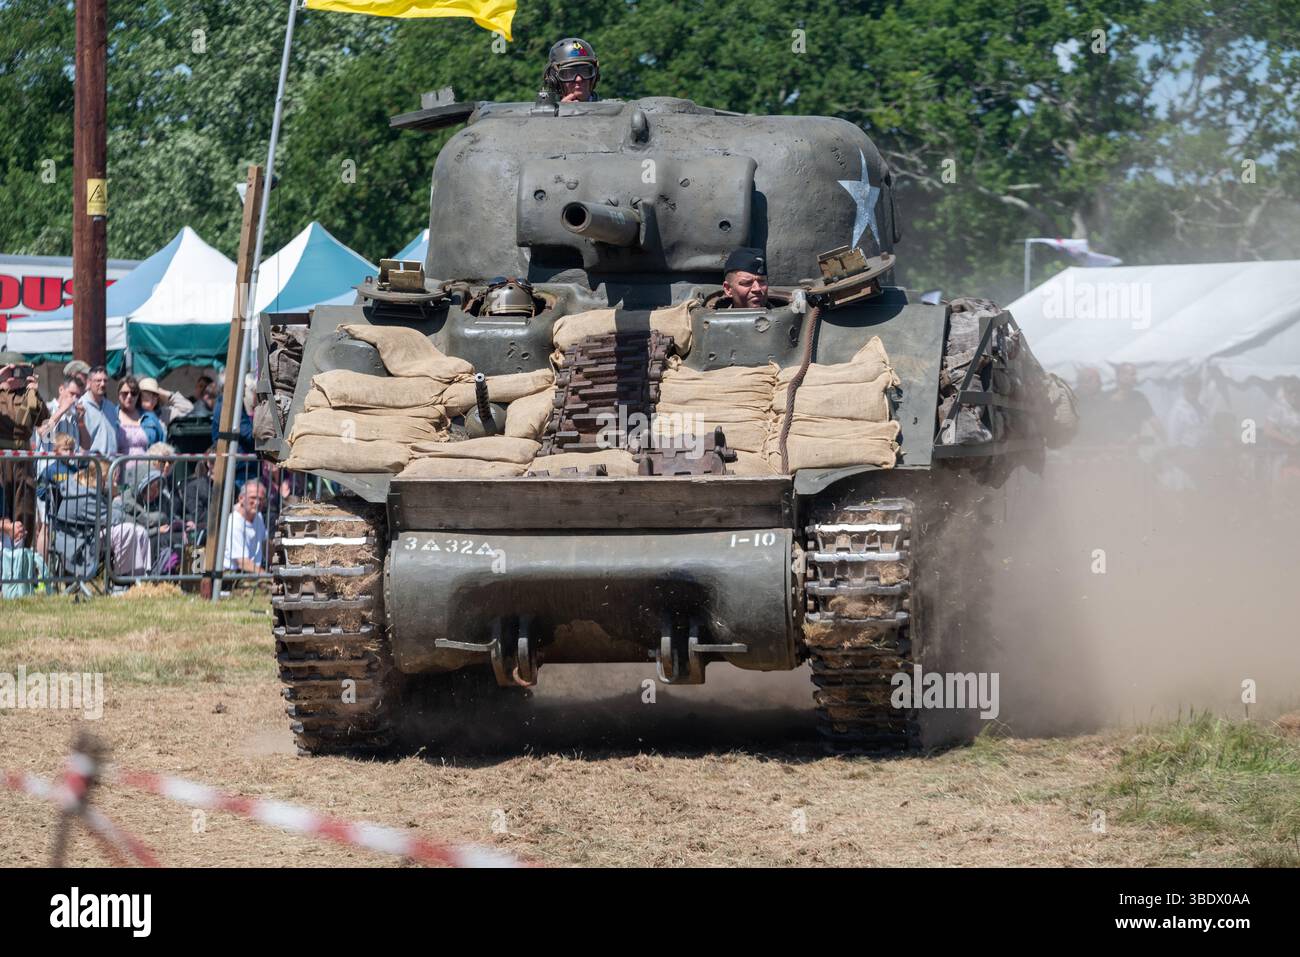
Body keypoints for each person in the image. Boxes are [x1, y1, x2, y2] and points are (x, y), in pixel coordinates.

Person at [0, 352, 50, 537]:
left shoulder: (28, 394)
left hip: (23, 461)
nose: (16, 375)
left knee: (25, 510)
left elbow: (44, 422)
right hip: (2, 459)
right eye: (12, 371)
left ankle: (23, 557)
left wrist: (34, 392)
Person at [1104, 363, 1162, 445]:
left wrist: (1166, 440)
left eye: (1135, 375)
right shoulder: (1106, 397)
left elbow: (1153, 420)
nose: (1135, 378)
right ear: (1119, 376)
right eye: (1132, 374)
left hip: (1133, 448)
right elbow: (1101, 424)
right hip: (1111, 449)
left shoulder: (1139, 398)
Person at [114, 375, 165, 458]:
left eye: (133, 393)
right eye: (125, 393)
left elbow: (162, 444)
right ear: (118, 394)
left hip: (148, 468)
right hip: (118, 468)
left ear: (138, 396)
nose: (129, 396)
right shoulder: (111, 415)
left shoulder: (150, 418)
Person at [223, 479, 267, 573]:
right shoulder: (234, 523)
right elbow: (242, 562)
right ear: (241, 499)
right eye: (253, 498)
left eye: (261, 499)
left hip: (254, 572)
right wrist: (269, 577)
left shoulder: (258, 516)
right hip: (233, 575)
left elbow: (265, 544)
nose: (257, 502)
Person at [76, 365, 118, 456]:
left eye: (105, 381)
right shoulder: (81, 406)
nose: (102, 384)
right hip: (91, 465)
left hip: (111, 465)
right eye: (98, 381)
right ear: (89, 382)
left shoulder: (111, 407)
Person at [543, 37, 600, 103]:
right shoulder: (543, 112)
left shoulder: (613, 110)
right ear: (555, 80)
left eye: (585, 71)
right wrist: (562, 111)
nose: (579, 79)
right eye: (570, 73)